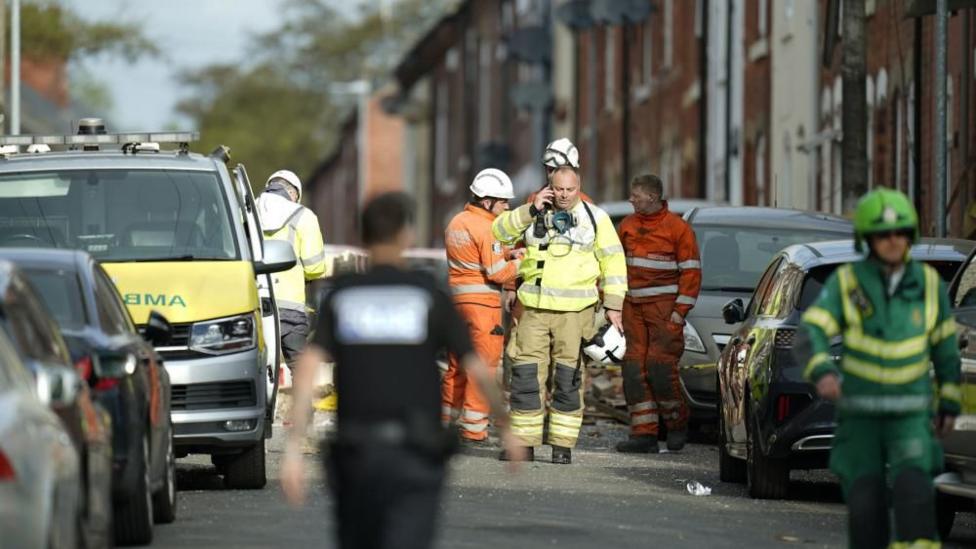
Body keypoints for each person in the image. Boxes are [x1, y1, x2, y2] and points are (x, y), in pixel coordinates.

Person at [281, 192, 524, 549]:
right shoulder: (427, 296)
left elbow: (307, 367)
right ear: (405, 237)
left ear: (361, 237)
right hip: (416, 453)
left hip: (357, 455)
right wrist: (507, 429)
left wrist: (292, 452)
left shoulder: (343, 297)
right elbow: (478, 366)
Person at [798, 188, 961, 548]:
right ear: (868, 239)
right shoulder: (848, 284)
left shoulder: (929, 286)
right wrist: (822, 370)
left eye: (900, 232)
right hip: (862, 421)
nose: (893, 241)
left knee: (916, 500)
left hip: (911, 418)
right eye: (883, 234)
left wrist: (949, 400)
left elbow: (945, 348)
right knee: (866, 509)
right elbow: (812, 330)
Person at [492, 165, 627, 464]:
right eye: (559, 189)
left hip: (574, 314)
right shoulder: (533, 211)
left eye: (570, 190)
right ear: (550, 187)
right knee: (526, 375)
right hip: (535, 310)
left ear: (578, 187)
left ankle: (562, 446)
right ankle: (524, 444)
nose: (565, 195)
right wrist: (530, 210)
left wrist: (614, 306)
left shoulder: (595, 218)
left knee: (568, 378)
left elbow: (614, 263)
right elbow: (499, 231)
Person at [615, 174, 701, 454]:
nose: (631, 199)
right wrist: (612, 304)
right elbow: (613, 268)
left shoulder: (678, 229)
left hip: (663, 311)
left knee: (660, 368)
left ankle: (676, 425)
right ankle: (644, 434)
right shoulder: (627, 226)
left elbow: (691, 273)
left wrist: (679, 312)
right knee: (633, 369)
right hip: (633, 309)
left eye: (636, 195)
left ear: (652, 197)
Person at [442, 169, 523, 443]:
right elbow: (497, 272)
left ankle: (447, 420)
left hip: (457, 303)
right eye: (502, 202)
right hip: (482, 307)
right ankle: (474, 428)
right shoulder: (489, 228)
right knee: (484, 367)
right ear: (487, 201)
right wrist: (522, 263)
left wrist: (510, 253)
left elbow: (475, 259)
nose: (507, 206)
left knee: (457, 364)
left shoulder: (457, 221)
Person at [255, 169, 327, 369]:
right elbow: (315, 267)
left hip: (252, 304)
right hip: (290, 309)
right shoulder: (304, 216)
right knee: (300, 368)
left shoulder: (247, 212)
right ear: (294, 193)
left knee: (255, 367)